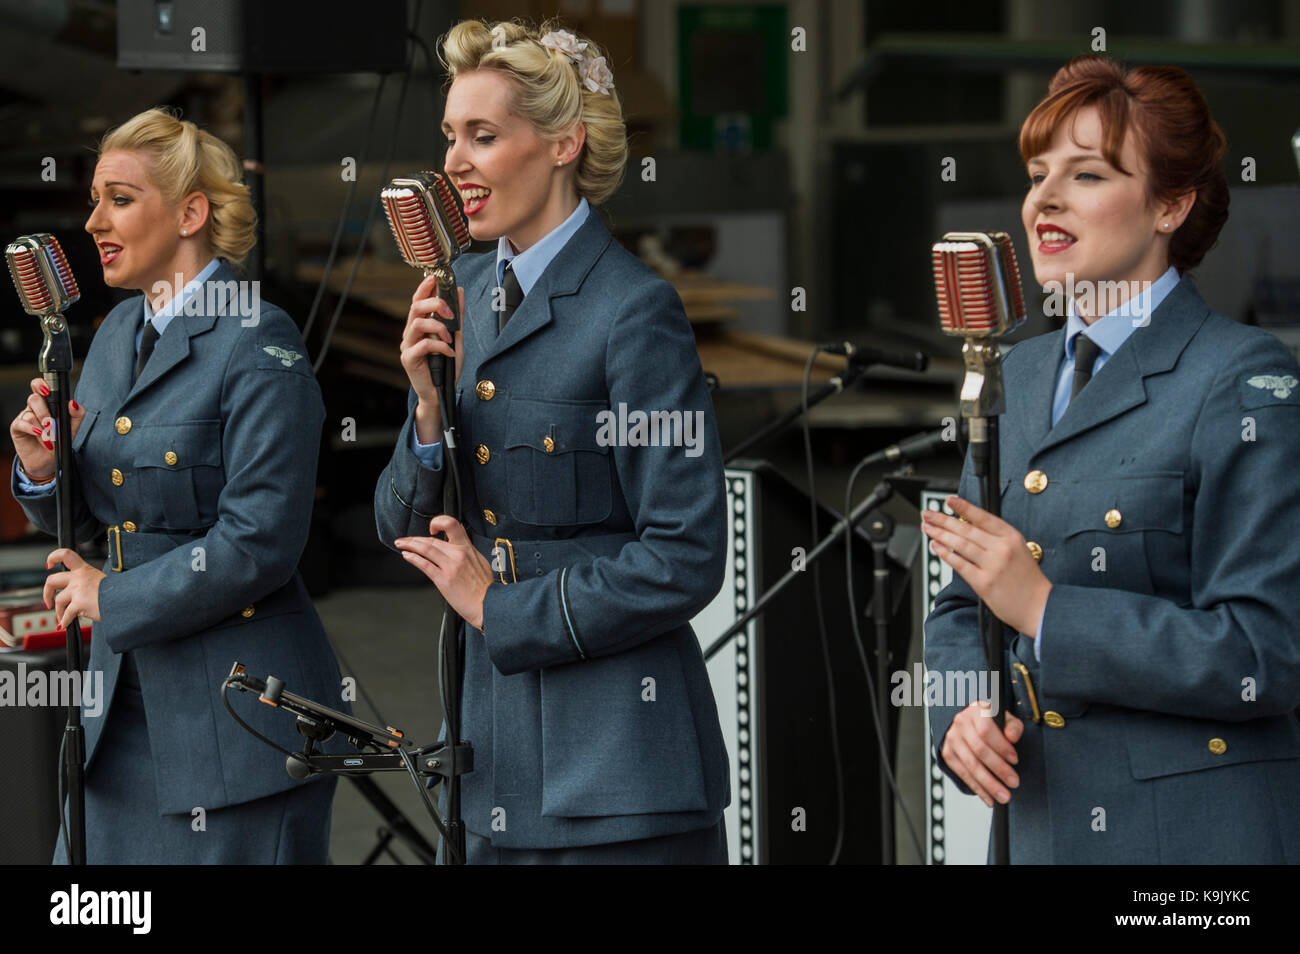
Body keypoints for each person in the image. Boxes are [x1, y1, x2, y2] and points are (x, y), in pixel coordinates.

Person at [922, 55, 1300, 864]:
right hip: (1039, 833)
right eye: (1036, 174)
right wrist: (959, 715)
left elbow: (1266, 653)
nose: (1043, 201)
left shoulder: (1241, 379)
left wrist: (1050, 613)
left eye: (1086, 174)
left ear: (1171, 204)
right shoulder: (1014, 375)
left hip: (1190, 849)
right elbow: (963, 607)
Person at [373, 18, 730, 864]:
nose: (454, 162)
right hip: (490, 769)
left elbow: (685, 555)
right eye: (450, 136)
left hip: (621, 783)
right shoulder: (458, 288)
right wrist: (425, 406)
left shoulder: (634, 311)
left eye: (483, 136)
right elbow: (399, 529)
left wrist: (501, 607)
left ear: (565, 143)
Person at [9, 108, 344, 864]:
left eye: (120, 199)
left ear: (192, 212)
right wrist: (42, 470)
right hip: (116, 720)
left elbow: (262, 541)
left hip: (236, 728)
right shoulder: (115, 334)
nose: (94, 220)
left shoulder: (259, 338)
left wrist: (112, 597)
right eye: (95, 198)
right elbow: (99, 527)